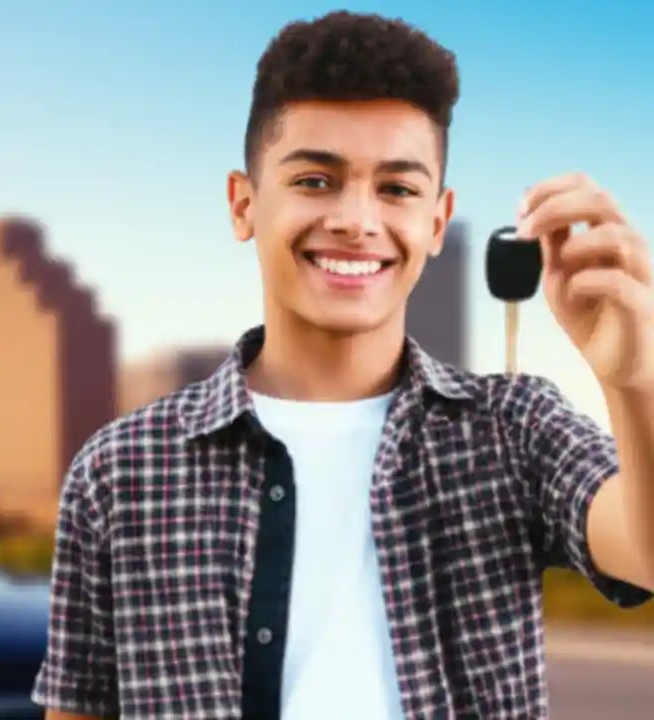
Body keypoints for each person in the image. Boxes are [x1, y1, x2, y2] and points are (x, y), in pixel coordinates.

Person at [32, 9, 654, 720]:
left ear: (436, 223)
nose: (358, 219)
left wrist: (635, 378)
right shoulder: (120, 473)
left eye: (396, 188)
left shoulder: (515, 429)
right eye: (316, 181)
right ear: (244, 204)